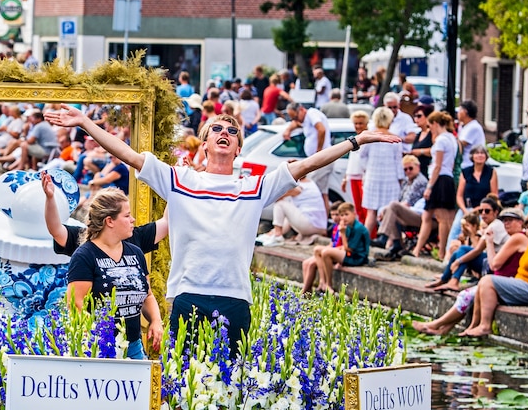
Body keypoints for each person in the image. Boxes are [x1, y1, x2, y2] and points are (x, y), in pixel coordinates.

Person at [43, 105, 399, 353]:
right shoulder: (180, 180)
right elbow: (129, 154)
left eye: (232, 131)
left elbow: (308, 163)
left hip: (235, 299)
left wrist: (357, 141)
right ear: (206, 141)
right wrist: (85, 122)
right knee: (185, 390)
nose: (225, 132)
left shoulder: (254, 187)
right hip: (189, 296)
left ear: (238, 146)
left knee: (234, 387)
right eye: (217, 128)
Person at [66, 189, 164, 359]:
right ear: (109, 221)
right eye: (127, 216)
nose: (132, 220)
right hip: (99, 347)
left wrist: (155, 320)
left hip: (133, 345)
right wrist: (99, 337)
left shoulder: (136, 253)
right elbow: (75, 303)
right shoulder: (85, 255)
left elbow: (147, 295)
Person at [412, 207, 528, 334]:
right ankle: (443, 329)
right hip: (500, 279)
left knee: (466, 294)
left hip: (504, 281)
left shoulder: (517, 237)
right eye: (504, 220)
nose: (506, 223)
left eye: (510, 220)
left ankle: (436, 324)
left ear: (521, 222)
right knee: (462, 256)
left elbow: (493, 264)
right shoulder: (512, 236)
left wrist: (488, 242)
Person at [410, 111, 458, 258]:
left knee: (442, 218)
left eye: (430, 126)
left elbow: (437, 165)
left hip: (439, 180)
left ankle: (442, 252)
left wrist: (430, 186)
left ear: (435, 124)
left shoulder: (441, 140)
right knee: (428, 215)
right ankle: (417, 249)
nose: (430, 129)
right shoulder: (452, 138)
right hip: (447, 179)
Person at [301, 202, 369, 293]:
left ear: (354, 214)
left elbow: (348, 248)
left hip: (356, 257)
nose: (344, 217)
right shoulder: (348, 225)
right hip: (347, 252)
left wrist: (343, 234)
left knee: (326, 253)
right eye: (342, 215)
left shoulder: (358, 228)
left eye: (346, 214)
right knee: (316, 250)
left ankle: (328, 284)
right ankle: (315, 285)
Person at [280, 100, 333, 214]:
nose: (296, 120)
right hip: (320, 158)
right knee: (322, 193)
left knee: (310, 189)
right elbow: (297, 123)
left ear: (301, 109)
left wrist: (318, 151)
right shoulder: (305, 118)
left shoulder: (312, 114)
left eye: (296, 117)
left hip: (321, 158)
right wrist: (289, 129)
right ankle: (323, 220)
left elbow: (321, 129)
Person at [360, 106, 404, 236]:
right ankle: (389, 242)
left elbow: (362, 155)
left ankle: (365, 242)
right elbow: (398, 162)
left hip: (372, 177)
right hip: (390, 178)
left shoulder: (369, 136)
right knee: (389, 212)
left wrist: (366, 169)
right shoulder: (394, 138)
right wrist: (401, 179)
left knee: (371, 213)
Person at [376, 156, 429, 260]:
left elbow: (408, 203)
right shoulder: (406, 181)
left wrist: (386, 210)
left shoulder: (420, 181)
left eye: (410, 168)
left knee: (392, 207)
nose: (408, 171)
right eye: (405, 169)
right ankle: (396, 243)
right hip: (408, 212)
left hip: (419, 214)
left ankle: (384, 238)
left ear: (418, 167)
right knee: (389, 210)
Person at [257, 177, 328, 246]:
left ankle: (277, 235)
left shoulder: (298, 185)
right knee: (289, 211)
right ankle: (271, 234)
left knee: (280, 204)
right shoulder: (310, 183)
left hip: (309, 225)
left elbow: (277, 197)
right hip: (320, 227)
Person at [457, 144, 497, 212]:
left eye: (482, 153)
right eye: (477, 153)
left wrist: (480, 208)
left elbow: (494, 195)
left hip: (484, 209)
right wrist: (465, 211)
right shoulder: (465, 172)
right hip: (467, 208)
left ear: (486, 156)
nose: (480, 155)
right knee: (457, 223)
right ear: (472, 156)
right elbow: (459, 196)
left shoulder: (491, 172)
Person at [457, 101, 485, 170]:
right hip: (466, 165)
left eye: (460, 110)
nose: (458, 113)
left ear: (465, 112)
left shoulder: (473, 127)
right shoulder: (466, 126)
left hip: (469, 165)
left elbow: (460, 145)